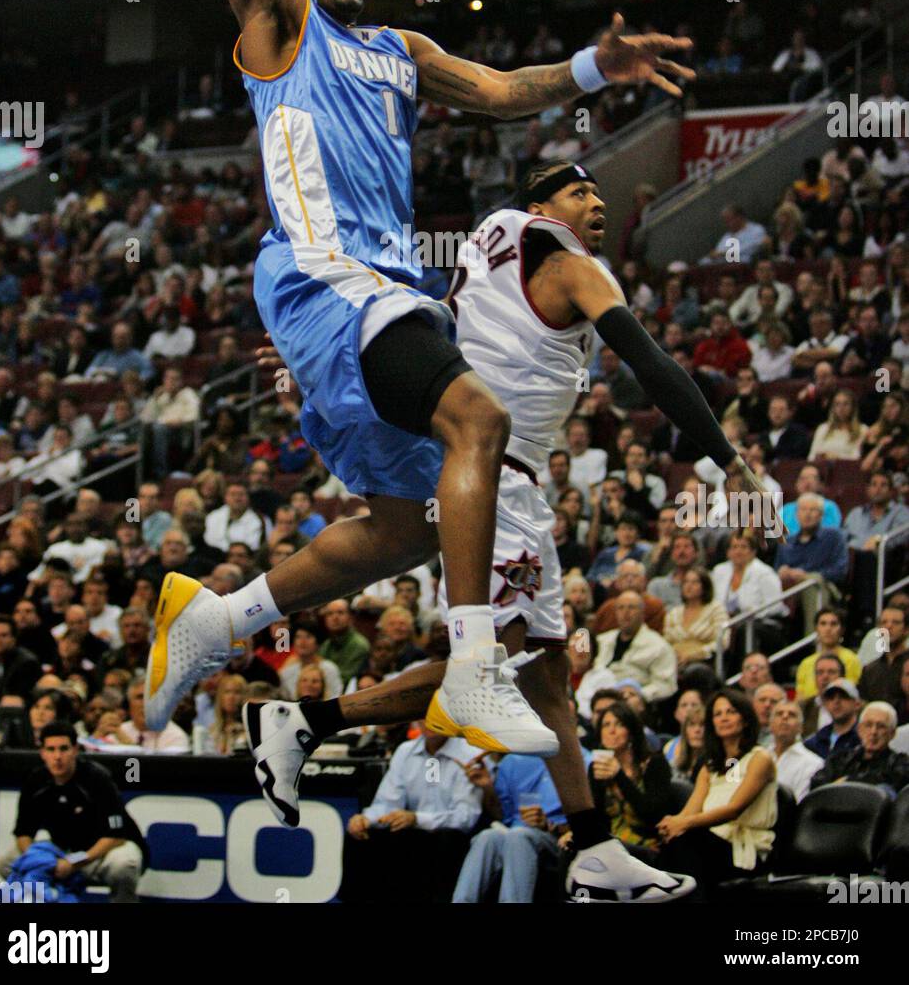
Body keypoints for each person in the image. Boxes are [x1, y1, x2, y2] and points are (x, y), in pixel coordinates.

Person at [150, 0, 696, 764]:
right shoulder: (277, 17)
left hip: (379, 295)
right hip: (323, 280)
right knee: (479, 424)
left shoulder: (402, 51)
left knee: (406, 527)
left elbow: (503, 91)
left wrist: (600, 63)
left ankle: (213, 617)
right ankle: (476, 671)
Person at [241, 157, 767, 901]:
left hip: (481, 469)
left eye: (596, 190)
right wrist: (725, 458)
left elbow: (416, 341)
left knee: (547, 677)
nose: (594, 202)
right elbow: (648, 362)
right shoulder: (566, 259)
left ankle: (592, 849)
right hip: (499, 478)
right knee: (496, 668)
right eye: (578, 191)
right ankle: (303, 722)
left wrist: (317, 360)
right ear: (541, 204)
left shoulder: (479, 249)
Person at [0, 722, 146, 902]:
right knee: (5, 864)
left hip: (100, 852)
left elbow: (116, 836)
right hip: (61, 852)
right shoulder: (35, 781)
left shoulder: (97, 778)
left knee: (125, 864)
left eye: (63, 749)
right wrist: (40, 859)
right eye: (51, 749)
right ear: (42, 753)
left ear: (75, 750)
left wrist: (74, 862)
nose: (57, 756)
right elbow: (23, 833)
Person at [342, 724, 480, 905]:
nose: (430, 721)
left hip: (451, 834)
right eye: (424, 715)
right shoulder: (405, 751)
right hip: (414, 832)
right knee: (360, 837)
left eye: (436, 714)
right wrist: (366, 819)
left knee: (442, 840)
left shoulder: (470, 754)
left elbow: (465, 817)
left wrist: (416, 818)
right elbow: (388, 803)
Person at [657, 688, 778, 892]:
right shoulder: (709, 765)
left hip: (741, 850)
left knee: (687, 840)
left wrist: (684, 823)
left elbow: (734, 809)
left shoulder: (760, 758)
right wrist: (671, 824)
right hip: (708, 842)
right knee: (670, 840)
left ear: (745, 719)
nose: (723, 718)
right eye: (717, 714)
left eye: (731, 712)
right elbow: (691, 809)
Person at [453, 746, 582, 903]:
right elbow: (502, 815)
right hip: (515, 832)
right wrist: (487, 787)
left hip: (558, 840)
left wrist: (549, 825)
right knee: (488, 837)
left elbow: (586, 823)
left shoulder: (580, 760)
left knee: (518, 835)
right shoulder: (512, 761)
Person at [589, 701, 674, 852]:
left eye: (619, 724)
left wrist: (619, 776)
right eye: (606, 725)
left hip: (647, 845)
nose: (611, 730)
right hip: (610, 844)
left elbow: (653, 816)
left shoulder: (654, 763)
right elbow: (596, 818)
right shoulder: (597, 767)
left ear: (631, 731)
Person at [774, 493, 848, 635]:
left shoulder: (834, 536)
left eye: (812, 510)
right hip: (790, 589)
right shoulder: (787, 541)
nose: (807, 514)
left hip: (824, 587)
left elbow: (840, 571)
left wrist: (806, 576)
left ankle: (814, 639)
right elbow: (777, 569)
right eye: (803, 510)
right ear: (796, 514)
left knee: (811, 581)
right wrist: (782, 571)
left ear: (821, 515)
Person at [592, 591, 677, 704]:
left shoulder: (659, 646)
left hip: (634, 705)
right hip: (596, 698)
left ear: (642, 613)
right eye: (621, 608)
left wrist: (639, 695)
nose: (625, 613)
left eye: (631, 607)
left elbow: (666, 686)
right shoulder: (601, 641)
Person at [810, 702, 909, 793]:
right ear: (859, 730)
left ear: (892, 733)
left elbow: (897, 780)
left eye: (881, 726)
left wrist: (847, 781)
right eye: (868, 725)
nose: (873, 732)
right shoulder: (840, 759)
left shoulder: (900, 763)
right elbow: (816, 784)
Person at [663, 567, 728, 666]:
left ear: (705, 586)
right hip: (674, 661)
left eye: (695, 582)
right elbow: (665, 642)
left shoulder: (716, 609)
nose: (689, 586)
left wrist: (694, 655)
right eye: (686, 582)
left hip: (703, 661)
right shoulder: (674, 613)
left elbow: (722, 642)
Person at [795, 609, 862, 699]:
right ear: (816, 629)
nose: (828, 629)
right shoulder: (805, 663)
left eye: (833, 624)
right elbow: (800, 698)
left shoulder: (851, 660)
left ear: (842, 630)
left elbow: (850, 694)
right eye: (823, 624)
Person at [113, 678, 190, 753]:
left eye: (152, 697)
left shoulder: (176, 736)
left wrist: (128, 744)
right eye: (140, 697)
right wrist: (101, 735)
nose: (146, 703)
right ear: (129, 704)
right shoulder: (119, 730)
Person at [768, 698, 823, 802]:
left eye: (792, 715)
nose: (785, 717)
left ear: (800, 728)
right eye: (779, 714)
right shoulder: (757, 756)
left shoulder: (813, 763)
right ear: (770, 725)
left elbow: (800, 804)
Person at [859, 601, 909, 708]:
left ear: (906, 629)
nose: (889, 626)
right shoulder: (869, 670)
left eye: (895, 622)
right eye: (884, 622)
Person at [804, 677, 863, 759]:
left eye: (843, 696)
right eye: (831, 697)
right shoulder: (814, 741)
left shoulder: (864, 739)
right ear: (825, 704)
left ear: (857, 704)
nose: (836, 701)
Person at [318, 599, 370, 687]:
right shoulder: (326, 645)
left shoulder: (359, 645)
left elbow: (345, 679)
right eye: (330, 614)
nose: (335, 617)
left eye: (340, 612)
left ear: (350, 617)